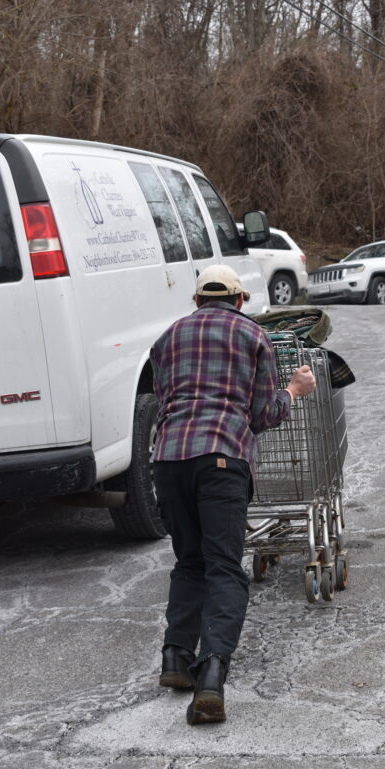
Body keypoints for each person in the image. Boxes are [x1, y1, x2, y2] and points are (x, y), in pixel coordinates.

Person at [150, 264, 316, 725]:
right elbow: (262, 415)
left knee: (189, 561)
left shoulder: (166, 339)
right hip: (222, 459)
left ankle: (175, 657)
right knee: (224, 566)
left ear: (196, 300)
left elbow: (163, 401)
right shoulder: (251, 335)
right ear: (241, 300)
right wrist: (293, 390)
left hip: (169, 461)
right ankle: (211, 677)